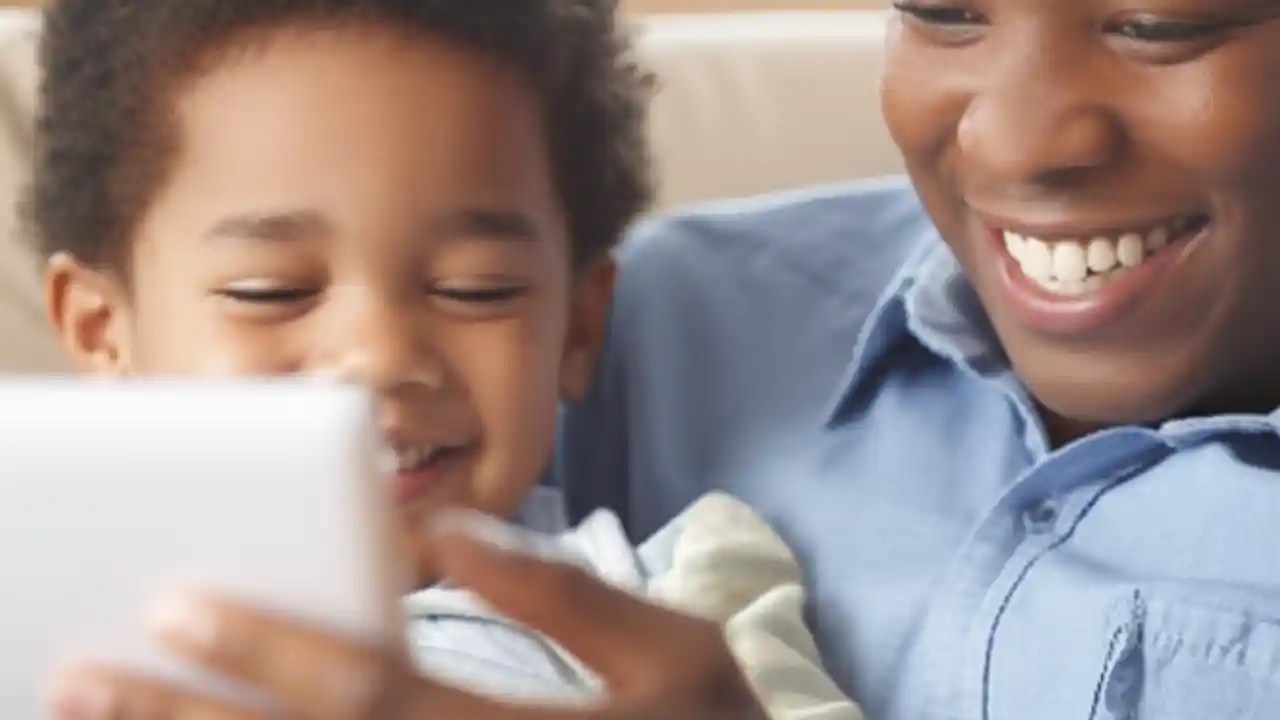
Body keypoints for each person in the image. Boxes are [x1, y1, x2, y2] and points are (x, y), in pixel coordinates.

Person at [44, 0, 1280, 718]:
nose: (1011, 138)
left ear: (573, 320)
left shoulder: (701, 591)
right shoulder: (691, 317)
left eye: (1157, 20)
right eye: (942, 5)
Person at [29, 0, 858, 718]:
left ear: (575, 329)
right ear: (105, 331)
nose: (382, 354)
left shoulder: (693, 593)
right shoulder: (44, 603)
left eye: (476, 289)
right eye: (271, 290)